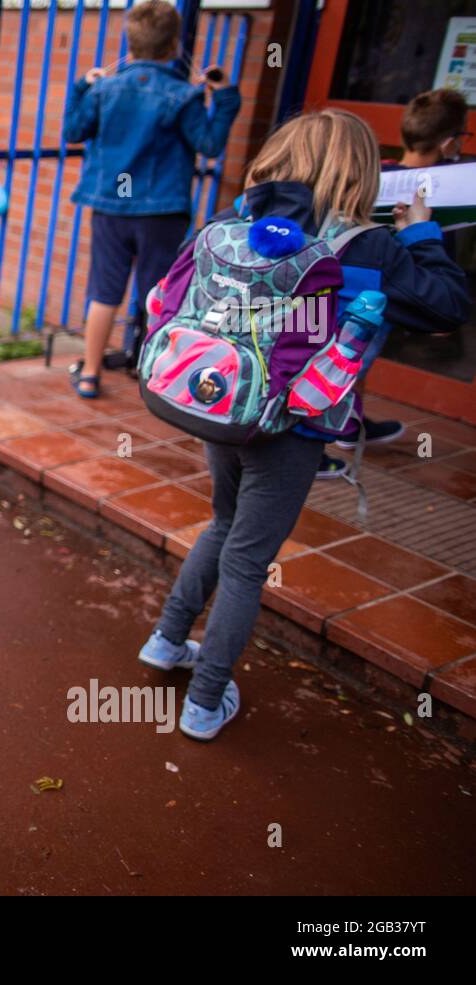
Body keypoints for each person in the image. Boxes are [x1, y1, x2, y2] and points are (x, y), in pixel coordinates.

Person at [139, 109, 469, 741]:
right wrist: (423, 234)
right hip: (297, 428)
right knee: (246, 561)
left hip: (223, 406)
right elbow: (446, 306)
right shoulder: (366, 247)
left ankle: (165, 640)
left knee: (224, 523)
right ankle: (205, 703)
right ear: (361, 173)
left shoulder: (231, 225)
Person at [62, 0, 240, 399]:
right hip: (162, 210)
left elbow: (73, 130)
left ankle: (89, 373)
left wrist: (82, 85)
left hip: (110, 205)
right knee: (159, 294)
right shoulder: (184, 95)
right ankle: (157, 378)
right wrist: (225, 98)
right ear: (175, 44)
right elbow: (209, 145)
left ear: (131, 40)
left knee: (103, 291)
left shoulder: (105, 89)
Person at [317, 87, 472, 478]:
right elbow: (443, 295)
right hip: (389, 293)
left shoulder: (377, 174)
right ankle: (323, 436)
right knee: (347, 365)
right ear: (451, 142)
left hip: (354, 291)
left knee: (345, 363)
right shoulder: (443, 190)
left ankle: (348, 423)